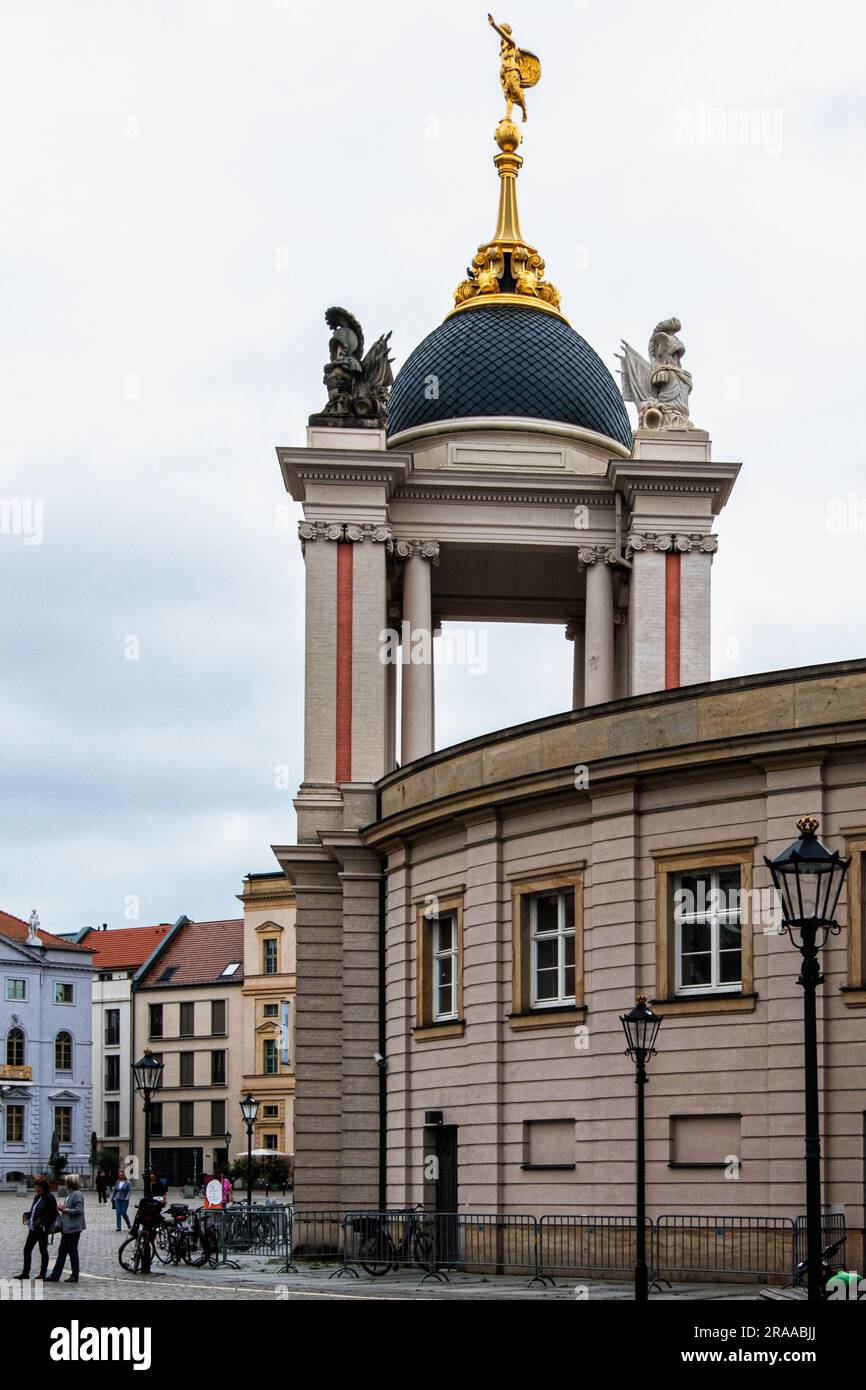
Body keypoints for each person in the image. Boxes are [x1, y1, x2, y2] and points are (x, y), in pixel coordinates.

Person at [16, 1175, 58, 1281]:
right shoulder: (37, 1197)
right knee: (27, 1250)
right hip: (33, 1228)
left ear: (41, 1187)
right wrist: (27, 1214)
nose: (34, 1187)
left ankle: (42, 1273)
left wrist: (43, 1224)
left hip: (42, 1229)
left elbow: (52, 1214)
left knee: (43, 1250)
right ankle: (25, 1273)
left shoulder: (50, 1197)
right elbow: (34, 1211)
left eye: (36, 1186)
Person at [46, 1175, 86, 1283]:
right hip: (67, 1227)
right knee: (62, 1252)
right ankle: (55, 1275)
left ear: (70, 1183)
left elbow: (79, 1210)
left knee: (72, 1252)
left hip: (73, 1228)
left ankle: (74, 1275)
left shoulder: (77, 1194)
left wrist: (65, 1209)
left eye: (66, 1182)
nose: (65, 1184)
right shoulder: (71, 1194)